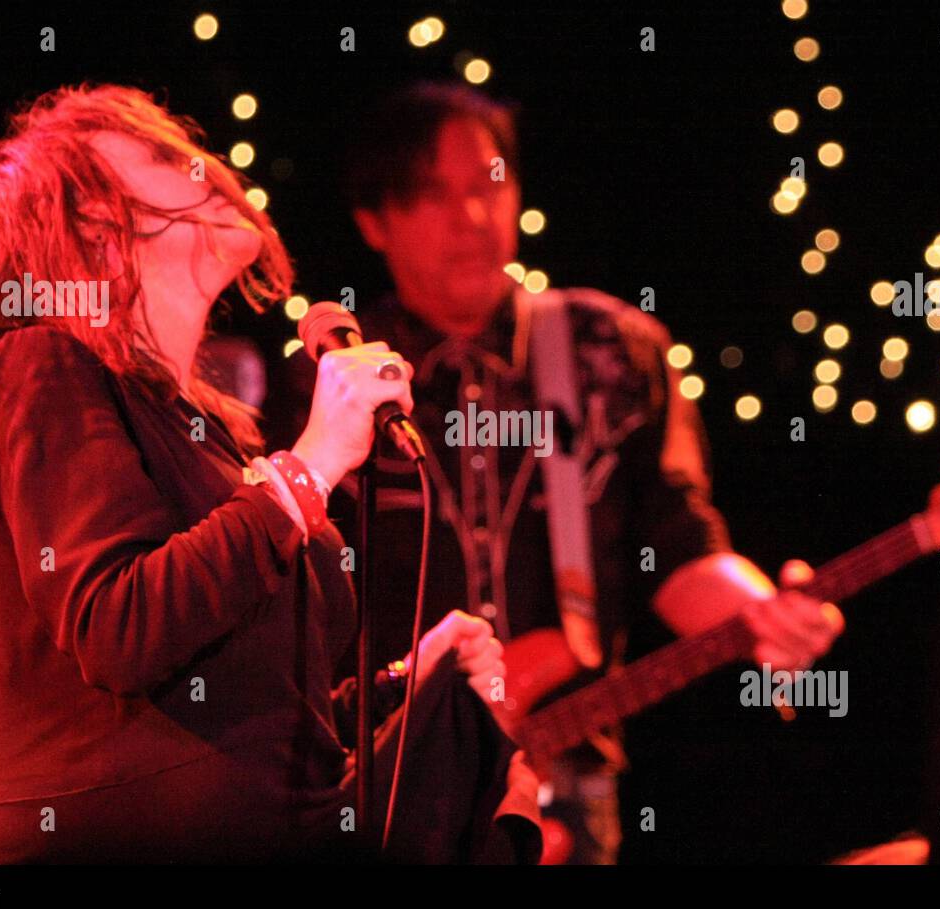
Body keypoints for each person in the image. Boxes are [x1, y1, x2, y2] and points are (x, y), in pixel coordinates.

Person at [0, 84, 532, 864]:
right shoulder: (42, 363)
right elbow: (120, 627)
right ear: (93, 225)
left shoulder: (209, 436)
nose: (198, 161)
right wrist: (313, 463)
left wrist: (403, 682)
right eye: (157, 153)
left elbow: (239, 717)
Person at [267, 82, 845, 864]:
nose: (471, 219)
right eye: (434, 195)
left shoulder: (612, 348)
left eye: (488, 187)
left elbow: (680, 546)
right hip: (388, 783)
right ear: (373, 220)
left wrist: (764, 612)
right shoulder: (333, 373)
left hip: (568, 776)